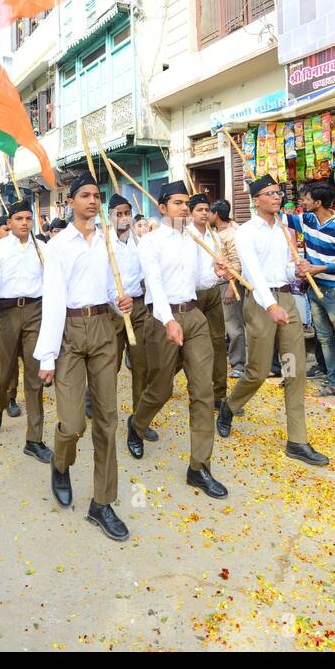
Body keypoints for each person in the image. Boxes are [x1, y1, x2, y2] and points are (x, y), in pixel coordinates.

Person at [34, 174, 135, 540]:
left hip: (105, 330)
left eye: (96, 196)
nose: (92, 201)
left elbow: (112, 286)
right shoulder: (58, 246)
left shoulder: (108, 241)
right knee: (74, 423)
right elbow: (53, 301)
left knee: (107, 419)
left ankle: (102, 503)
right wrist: (47, 357)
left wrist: (121, 299)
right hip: (70, 336)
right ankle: (61, 465)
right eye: (85, 195)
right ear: (71, 202)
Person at [216, 175, 329, 466]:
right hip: (259, 303)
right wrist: (269, 307)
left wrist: (299, 270)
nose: (277, 197)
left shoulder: (284, 227)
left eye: (278, 192)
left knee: (294, 369)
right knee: (259, 369)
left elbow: (287, 271)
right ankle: (230, 405)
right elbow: (253, 273)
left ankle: (297, 441)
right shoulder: (246, 233)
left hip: (287, 301)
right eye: (270, 193)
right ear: (256, 200)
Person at [128, 182, 231, 498]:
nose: (185, 208)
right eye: (177, 203)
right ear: (162, 208)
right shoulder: (150, 242)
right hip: (162, 319)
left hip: (194, 317)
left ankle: (199, 467)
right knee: (161, 388)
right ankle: (137, 423)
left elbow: (199, 281)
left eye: (187, 202)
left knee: (202, 392)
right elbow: (155, 286)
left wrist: (217, 273)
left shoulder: (194, 238)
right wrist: (169, 320)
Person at [0, 201, 46, 456]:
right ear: (9, 222)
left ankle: (34, 439)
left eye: (29, 218)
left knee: (34, 373)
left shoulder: (42, 248)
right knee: (1, 373)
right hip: (5, 313)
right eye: (19, 218)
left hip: (35, 312)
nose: (24, 223)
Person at [285, 182, 335, 400]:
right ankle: (334, 382)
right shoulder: (307, 220)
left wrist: (322, 267)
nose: (302, 202)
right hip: (313, 288)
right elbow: (280, 218)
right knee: (325, 338)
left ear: (318, 202)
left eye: (306, 199)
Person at [109, 193, 152, 431]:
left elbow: (149, 273)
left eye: (127, 214)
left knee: (141, 365)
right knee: (109, 366)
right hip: (111, 311)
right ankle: (103, 411)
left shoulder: (141, 242)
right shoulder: (102, 242)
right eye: (119, 214)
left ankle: (140, 420)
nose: (124, 218)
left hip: (137, 308)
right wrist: (115, 301)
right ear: (110, 216)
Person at [189, 192, 232, 411]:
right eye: (200, 210)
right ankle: (195, 391)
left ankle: (219, 395)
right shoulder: (184, 235)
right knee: (191, 347)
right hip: (192, 297)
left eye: (207, 210)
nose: (205, 214)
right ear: (190, 212)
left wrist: (226, 272)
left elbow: (219, 265)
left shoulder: (214, 236)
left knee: (217, 342)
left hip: (213, 292)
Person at [210, 200, 246, 378]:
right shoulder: (212, 233)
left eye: (208, 211)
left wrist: (232, 289)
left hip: (229, 284)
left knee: (233, 326)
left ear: (216, 214)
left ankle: (238, 363)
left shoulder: (233, 233)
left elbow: (237, 262)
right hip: (215, 284)